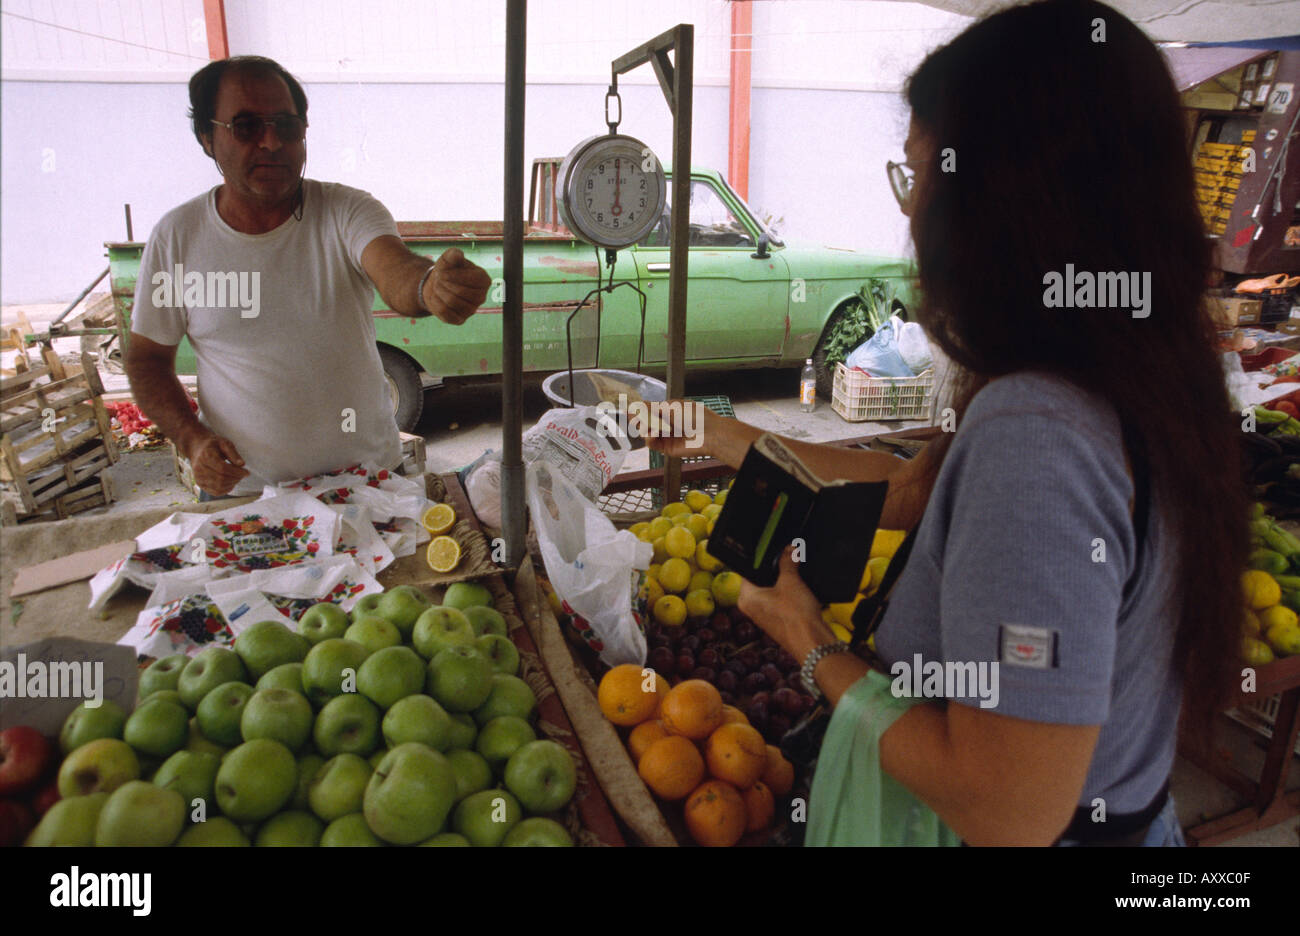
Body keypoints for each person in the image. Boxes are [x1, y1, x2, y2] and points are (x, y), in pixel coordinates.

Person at [650, 0, 1246, 846]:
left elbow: (1008, 809)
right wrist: (715, 434)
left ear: (996, 198)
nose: (909, 209)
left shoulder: (1038, 433)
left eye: (917, 172)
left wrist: (806, 637)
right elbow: (904, 492)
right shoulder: (1139, 377)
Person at [125, 55, 491, 497]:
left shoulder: (347, 211)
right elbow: (147, 360)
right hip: (247, 496)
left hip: (369, 484)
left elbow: (395, 269)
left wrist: (430, 286)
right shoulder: (177, 237)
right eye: (246, 126)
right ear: (206, 138)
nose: (271, 142)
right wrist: (192, 439)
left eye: (286, 124)